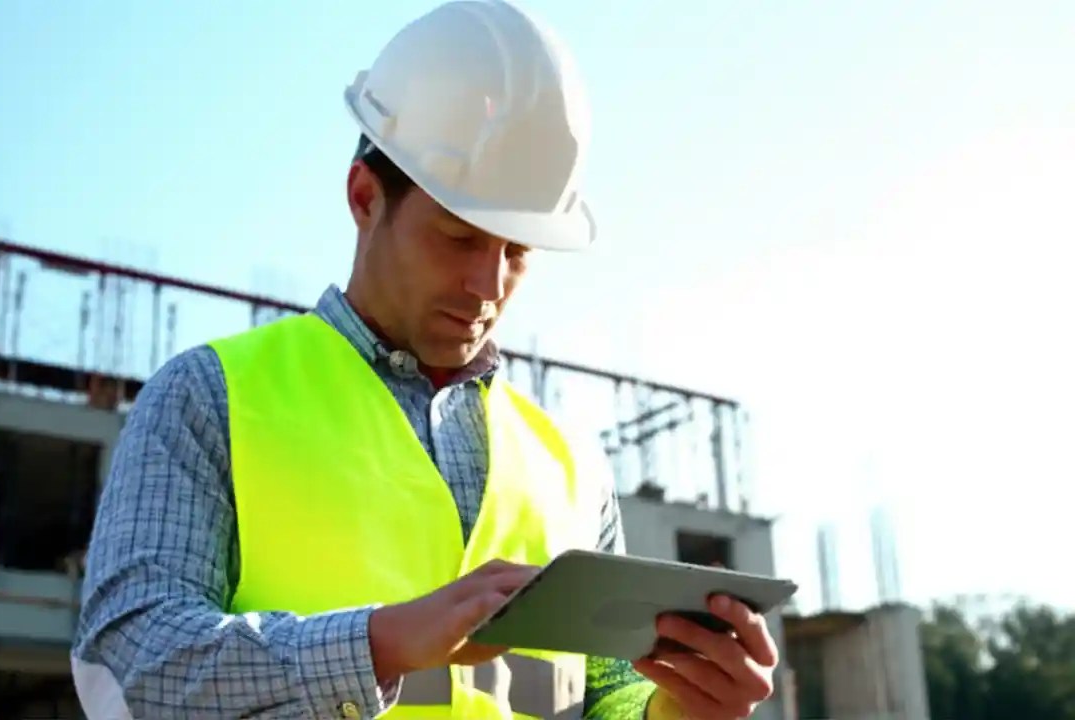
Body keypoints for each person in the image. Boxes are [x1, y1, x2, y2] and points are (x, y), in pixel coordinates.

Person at [70, 1, 780, 718]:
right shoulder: (210, 398)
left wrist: (677, 709)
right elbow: (130, 666)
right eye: (460, 239)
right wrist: (379, 642)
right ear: (364, 197)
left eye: (517, 252)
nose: (489, 286)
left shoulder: (571, 468)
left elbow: (601, 698)